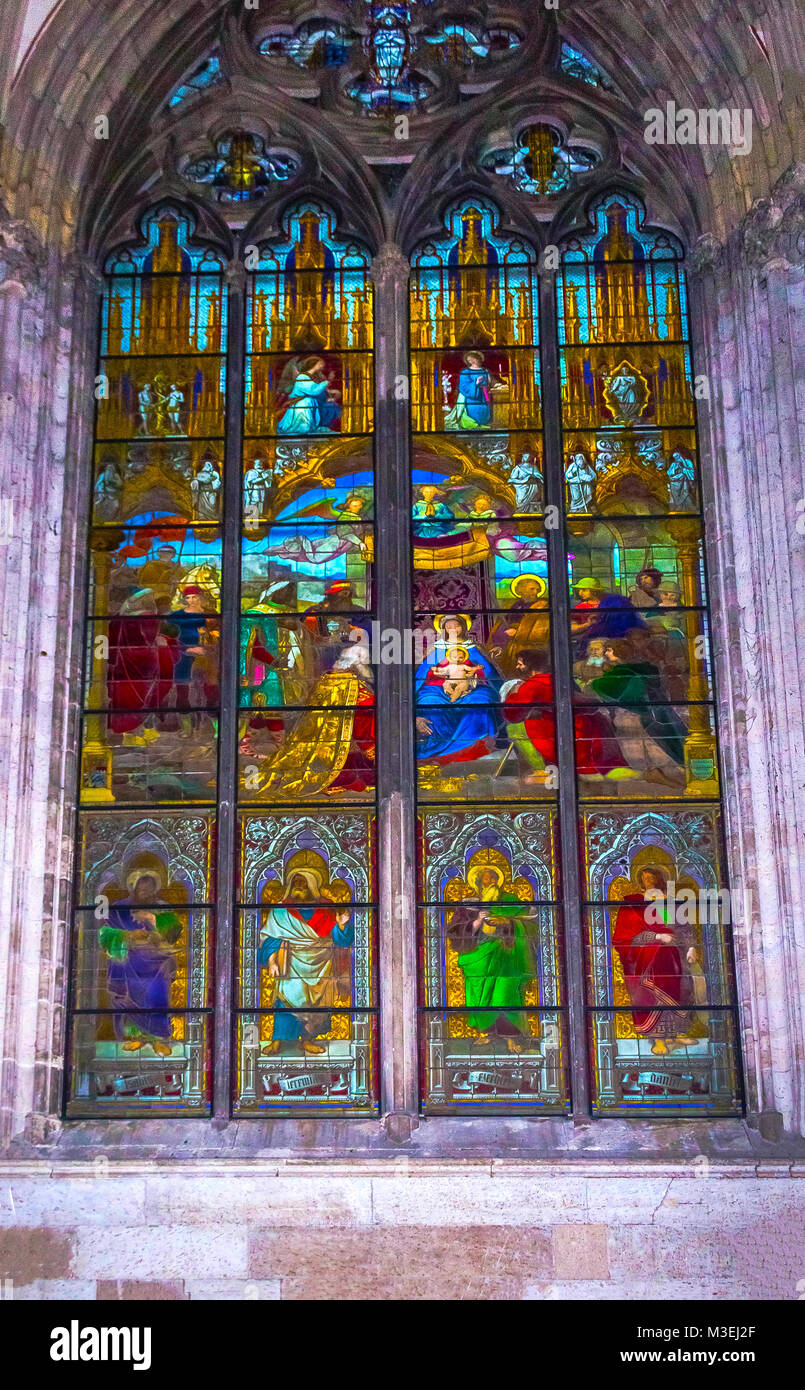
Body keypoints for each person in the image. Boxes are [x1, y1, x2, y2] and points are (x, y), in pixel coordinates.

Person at [258, 867, 354, 1054]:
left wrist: (342, 925)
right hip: (291, 962)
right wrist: (271, 960)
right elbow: (269, 938)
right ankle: (278, 1041)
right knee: (285, 1001)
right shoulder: (281, 911)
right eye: (295, 883)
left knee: (318, 1004)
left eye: (303, 883)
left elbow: (342, 940)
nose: (299, 887)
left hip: (322, 964)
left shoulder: (326, 909)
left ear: (312, 886)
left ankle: (308, 1040)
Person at [502, 649, 637, 783]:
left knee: (514, 730)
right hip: (584, 732)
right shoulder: (559, 680)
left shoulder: (533, 685)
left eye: (520, 664)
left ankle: (543, 770)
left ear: (531, 665)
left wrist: (513, 693)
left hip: (566, 738)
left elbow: (513, 715)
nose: (517, 667)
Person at [613, 864, 700, 1054]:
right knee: (653, 998)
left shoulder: (670, 903)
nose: (649, 882)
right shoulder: (633, 904)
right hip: (648, 961)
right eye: (645, 879)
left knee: (682, 992)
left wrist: (691, 947)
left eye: (653, 878)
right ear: (640, 882)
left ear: (660, 880)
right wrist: (657, 937)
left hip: (675, 958)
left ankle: (678, 1033)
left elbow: (684, 928)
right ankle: (659, 1040)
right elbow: (624, 937)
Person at [447, 867, 536, 1052]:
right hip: (476, 959)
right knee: (478, 997)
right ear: (478, 883)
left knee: (505, 996)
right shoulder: (468, 905)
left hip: (505, 957)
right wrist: (476, 923)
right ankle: (486, 1033)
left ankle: (511, 1038)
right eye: (486, 880)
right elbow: (454, 931)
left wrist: (508, 923)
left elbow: (531, 921)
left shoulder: (510, 901)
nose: (491, 883)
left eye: (494, 879)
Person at [100, 871, 183, 1056]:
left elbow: (174, 932)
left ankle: (159, 1039)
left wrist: (152, 922)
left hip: (157, 966)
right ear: (133, 888)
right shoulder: (119, 909)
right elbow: (104, 935)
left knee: (157, 998)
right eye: (142, 887)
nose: (145, 891)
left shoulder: (162, 908)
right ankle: (135, 1037)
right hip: (128, 964)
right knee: (131, 1000)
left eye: (150, 887)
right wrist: (128, 936)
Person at [415, 615, 502, 764]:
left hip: (472, 687)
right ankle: (437, 748)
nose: (453, 629)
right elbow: (422, 675)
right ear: (443, 629)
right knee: (429, 701)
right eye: (449, 627)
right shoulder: (435, 649)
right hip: (438, 688)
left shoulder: (475, 648)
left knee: (481, 700)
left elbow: (489, 674)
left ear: (464, 627)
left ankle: (480, 747)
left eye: (457, 626)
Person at [107, 589, 178, 744]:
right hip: (145, 658)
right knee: (146, 693)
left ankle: (129, 732)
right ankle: (135, 731)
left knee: (128, 696)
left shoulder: (120, 618)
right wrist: (163, 643)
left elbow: (110, 639)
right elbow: (149, 637)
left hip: (125, 659)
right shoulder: (148, 616)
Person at [277, 356, 340, 434]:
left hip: (309, 404)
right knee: (303, 428)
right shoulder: (302, 377)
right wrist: (326, 383)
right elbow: (312, 390)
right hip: (302, 406)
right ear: (314, 365)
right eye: (320, 364)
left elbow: (317, 390)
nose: (322, 366)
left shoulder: (312, 377)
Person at [443, 351, 504, 429]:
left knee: (486, 410)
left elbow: (492, 381)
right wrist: (476, 383)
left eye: (477, 358)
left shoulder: (485, 371)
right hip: (471, 398)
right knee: (474, 410)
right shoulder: (465, 372)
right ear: (470, 361)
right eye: (472, 359)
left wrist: (497, 384)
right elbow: (463, 386)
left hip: (484, 395)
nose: (476, 360)